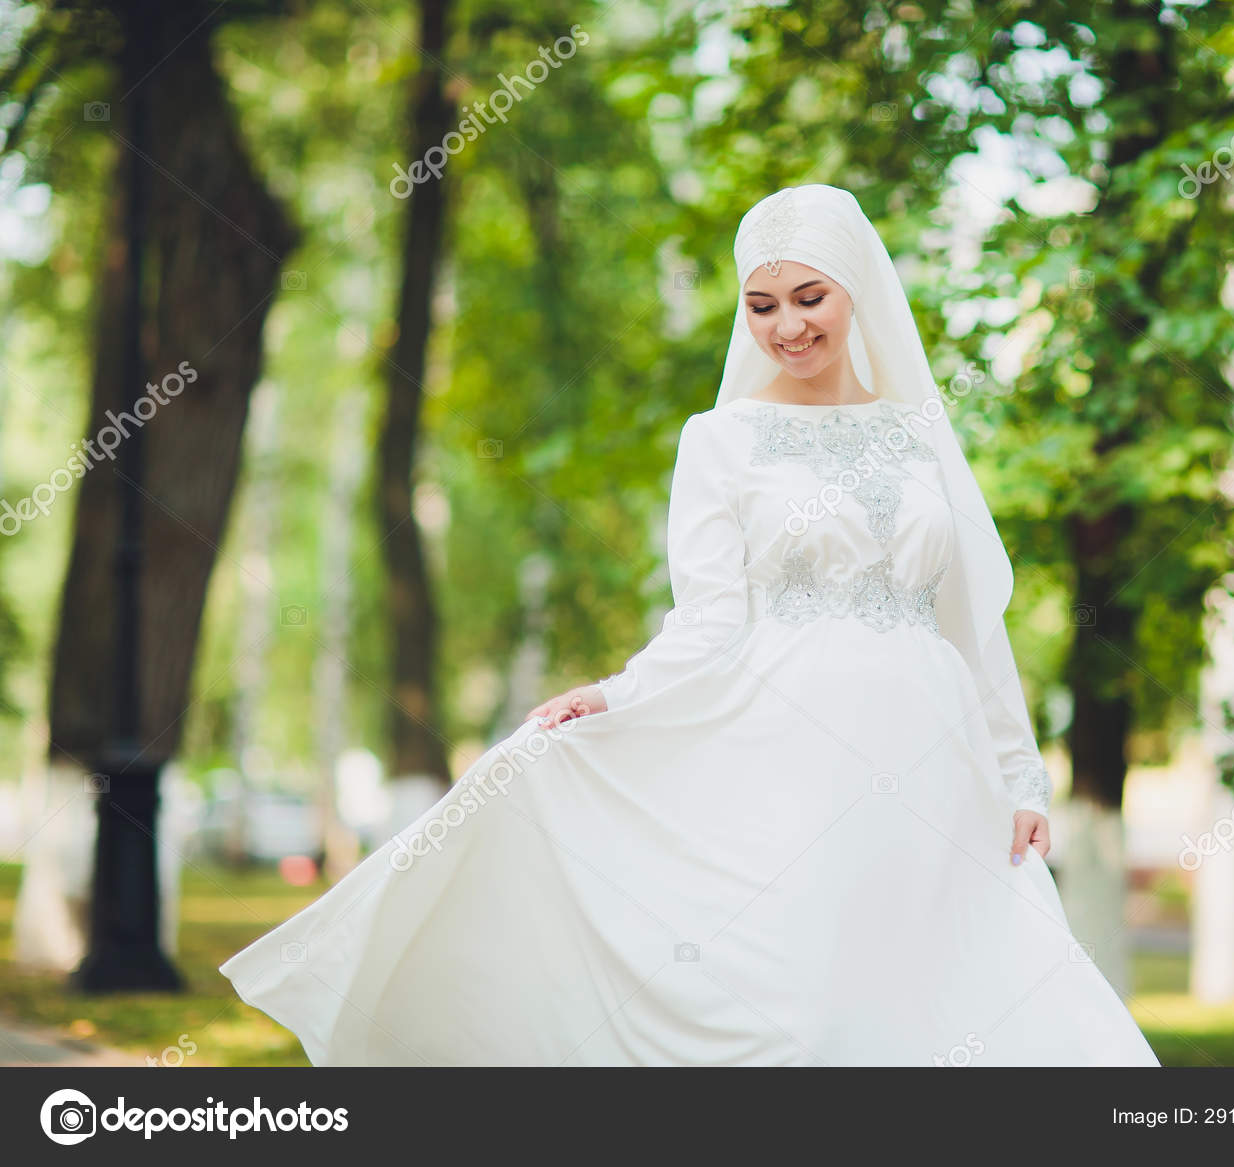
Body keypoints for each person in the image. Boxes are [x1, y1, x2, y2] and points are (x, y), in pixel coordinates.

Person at [219, 184, 1160, 1067]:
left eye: (809, 297)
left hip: (938, 751)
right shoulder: (721, 441)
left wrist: (1018, 771)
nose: (787, 325)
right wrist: (616, 696)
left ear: (856, 292)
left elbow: (970, 624)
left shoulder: (917, 435)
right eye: (762, 305)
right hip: (798, 747)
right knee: (805, 1000)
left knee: (972, 989)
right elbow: (709, 618)